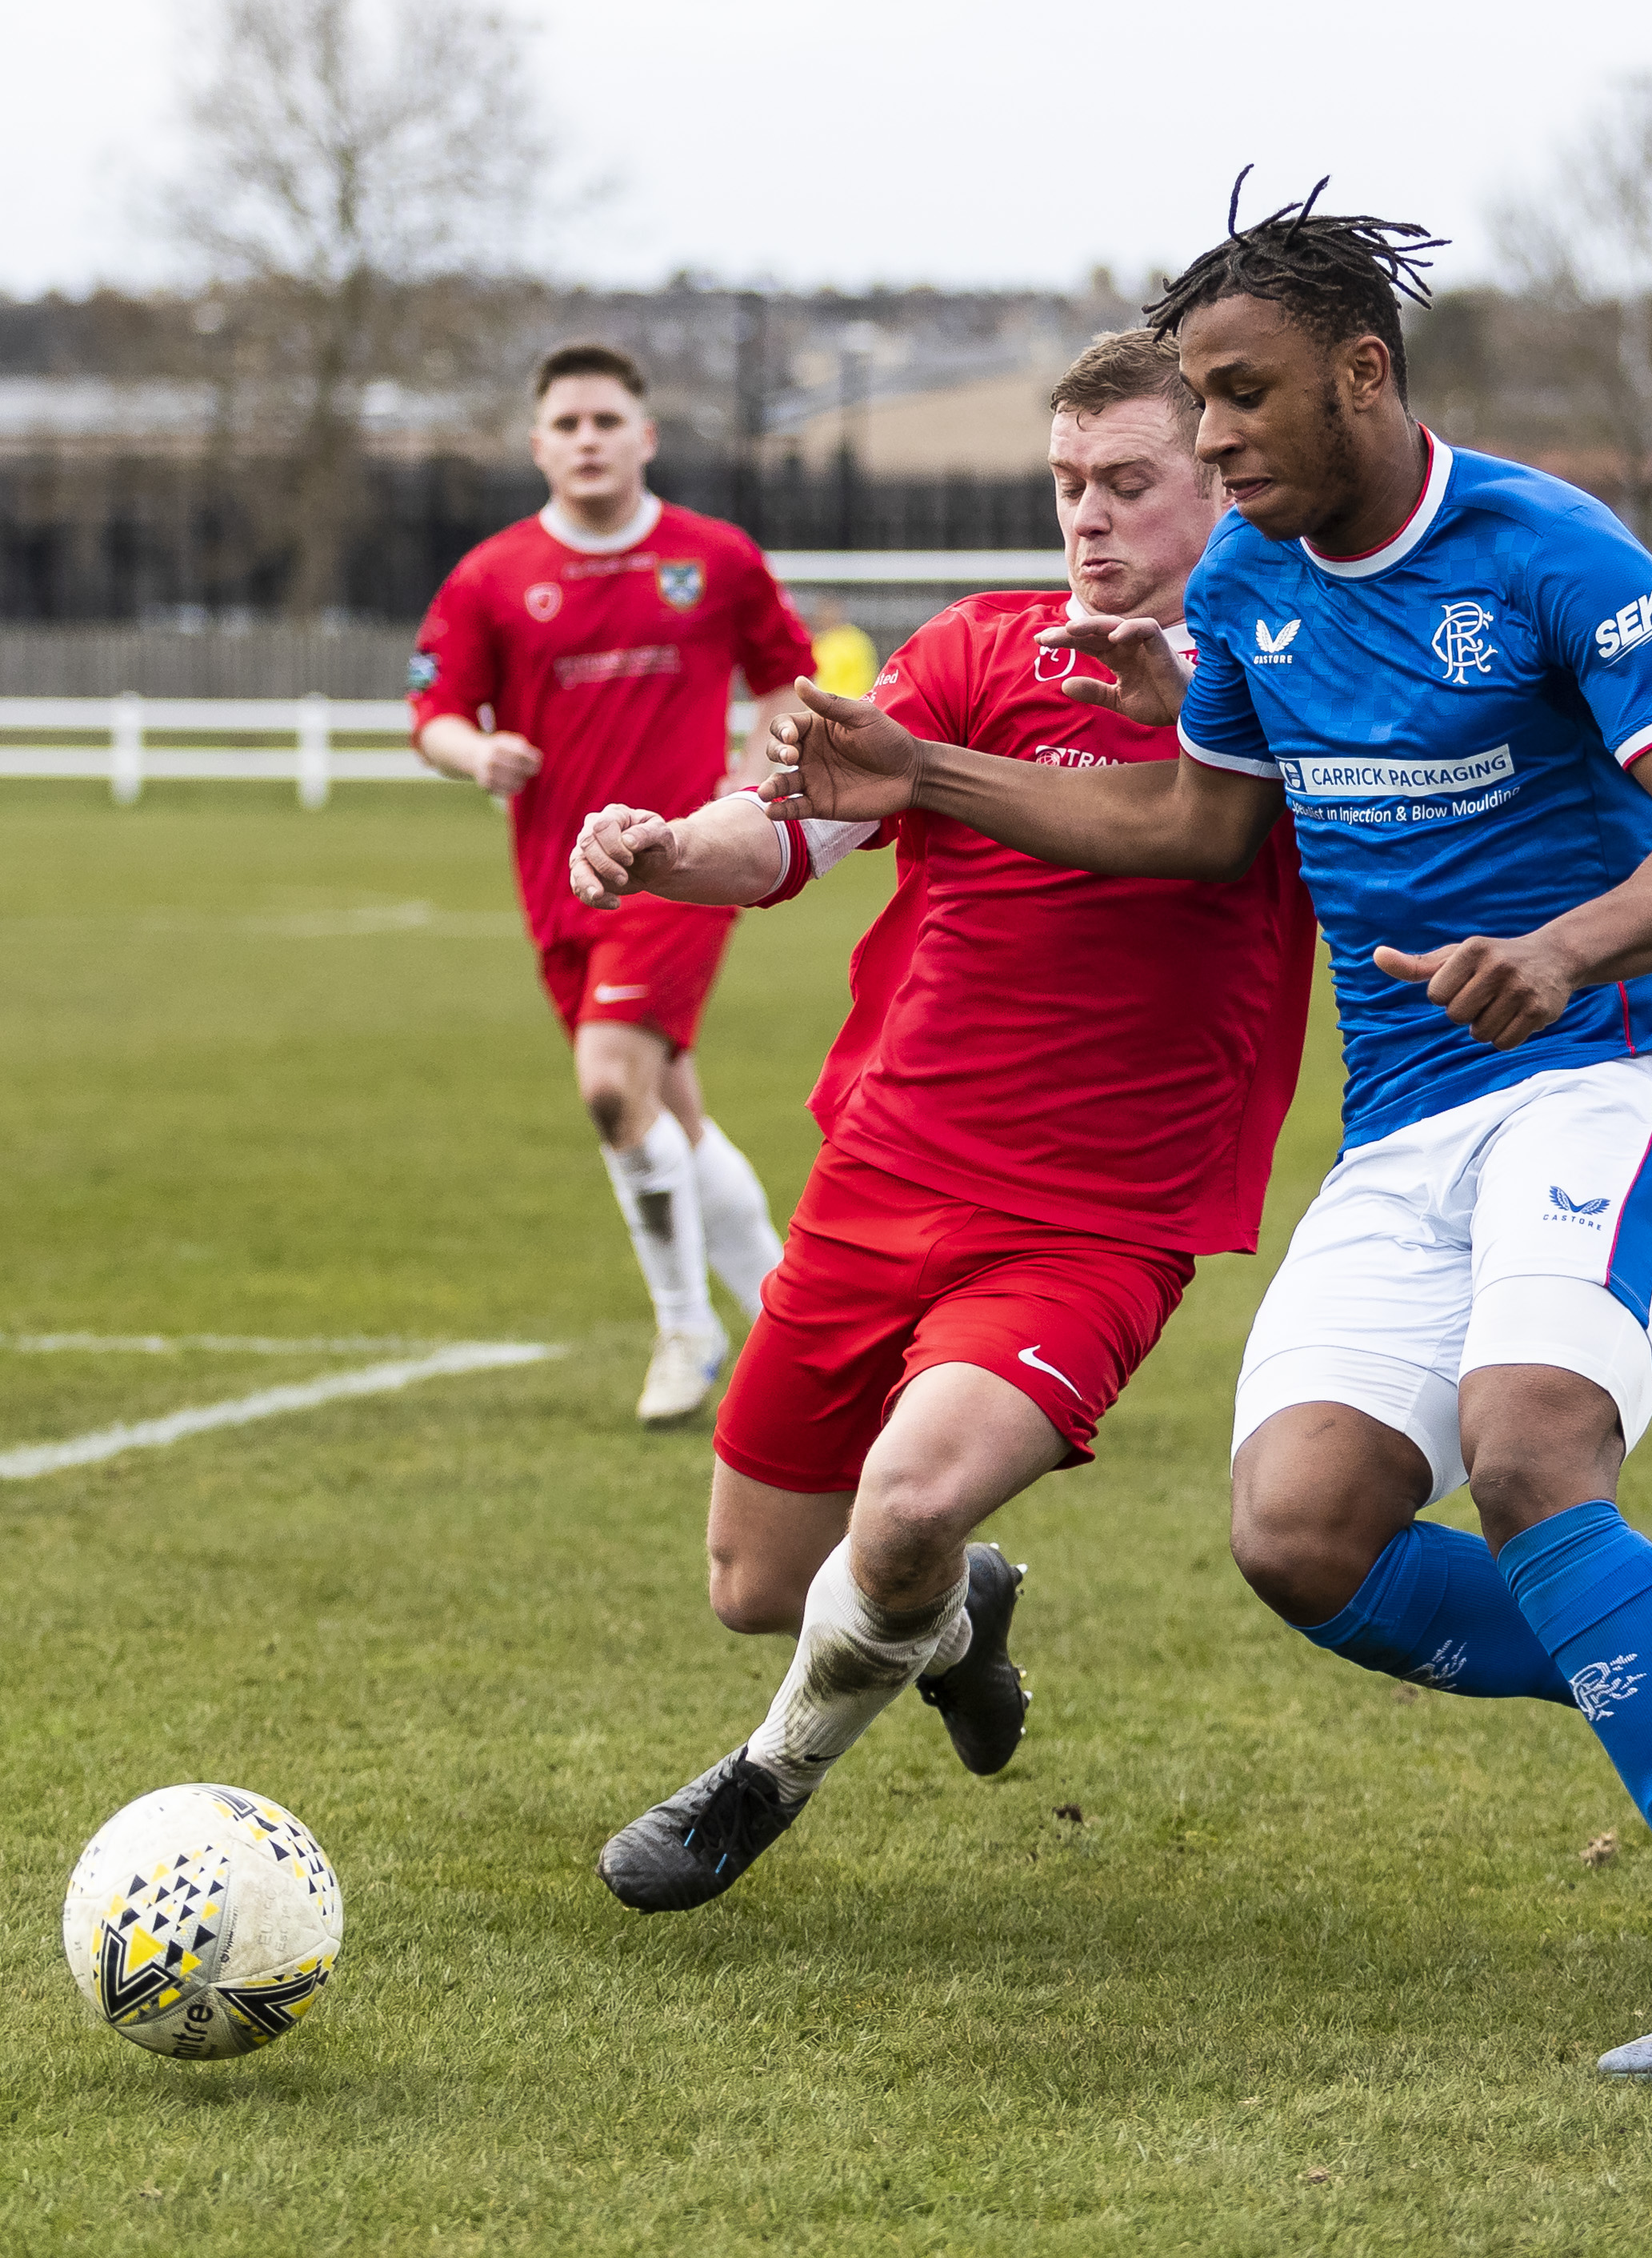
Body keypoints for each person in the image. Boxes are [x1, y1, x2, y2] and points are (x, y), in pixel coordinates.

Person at [760, 198, 1652, 2084]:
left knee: (1526, 1452)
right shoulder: (1251, 594)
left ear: (1363, 372)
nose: (1208, 444)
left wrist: (1563, 946)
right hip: (1402, 1126)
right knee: (1297, 1539)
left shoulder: (1541, 550)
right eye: (1193, 405)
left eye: (1240, 396)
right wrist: (925, 768)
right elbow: (1194, 830)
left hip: (1588, 1075)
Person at [566, 328, 1317, 1912]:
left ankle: (761, 1780)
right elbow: (787, 836)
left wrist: (1201, 702)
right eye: (1067, 487)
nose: (1091, 520)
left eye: (1129, 483)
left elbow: (1264, 834)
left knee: (899, 1503)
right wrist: (661, 843)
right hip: (884, 1175)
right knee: (764, 1582)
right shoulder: (982, 651)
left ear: (1221, 486)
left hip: (1096, 1221)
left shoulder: (1301, 676)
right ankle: (956, 1616)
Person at [409, 341, 814, 1424]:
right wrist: (473, 754)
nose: (587, 440)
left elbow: (785, 675)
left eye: (606, 421)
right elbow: (434, 710)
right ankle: (792, 1320)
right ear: (539, 445)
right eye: (567, 425)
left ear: (644, 436)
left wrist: (749, 782)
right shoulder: (491, 576)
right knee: (668, 1106)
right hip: (557, 881)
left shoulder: (714, 557)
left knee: (608, 1087)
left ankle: (686, 1330)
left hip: (673, 870)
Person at [809, 596, 882, 699]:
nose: (827, 615)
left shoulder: (856, 641)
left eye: (831, 611)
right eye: (824, 611)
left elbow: (865, 676)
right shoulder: (816, 642)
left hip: (849, 701)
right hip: (820, 702)